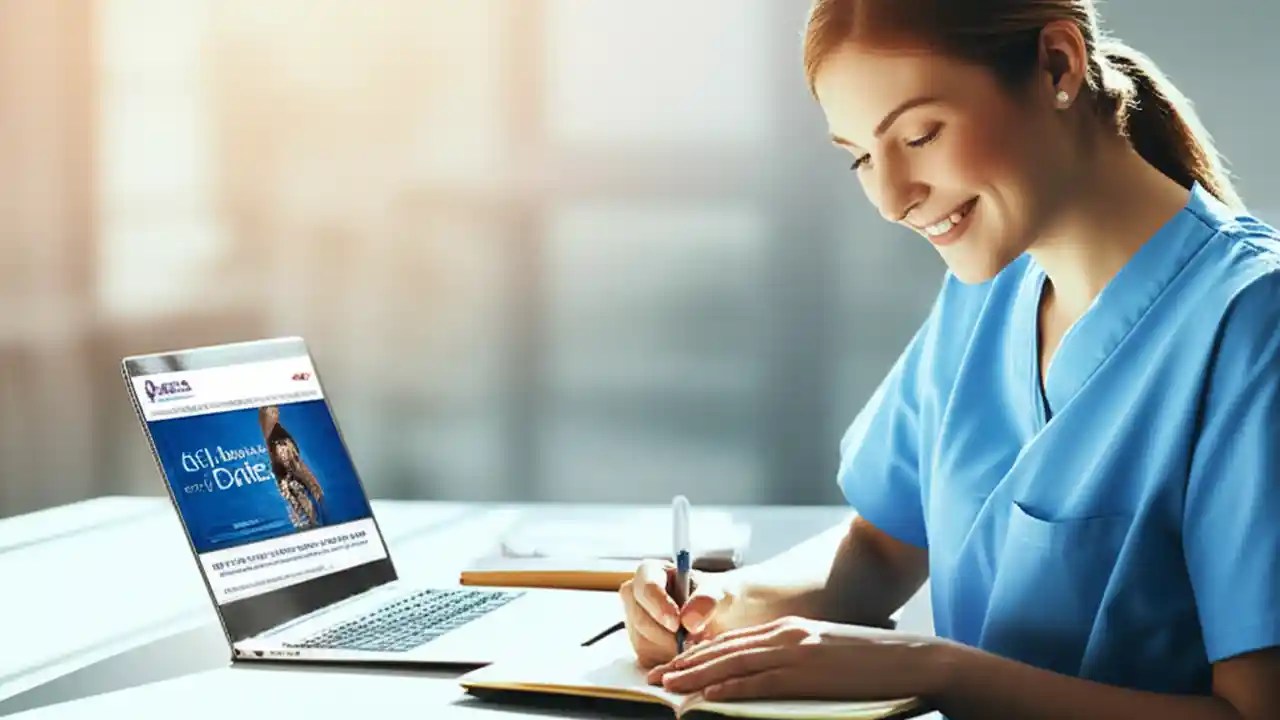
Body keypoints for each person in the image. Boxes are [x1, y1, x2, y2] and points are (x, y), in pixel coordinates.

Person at [621, 1, 1280, 717]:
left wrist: (939, 670)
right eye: (862, 158)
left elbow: (1252, 710)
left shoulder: (1253, 326)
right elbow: (879, 551)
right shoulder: (990, 286)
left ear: (1058, 65)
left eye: (919, 135)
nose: (892, 198)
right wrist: (720, 608)